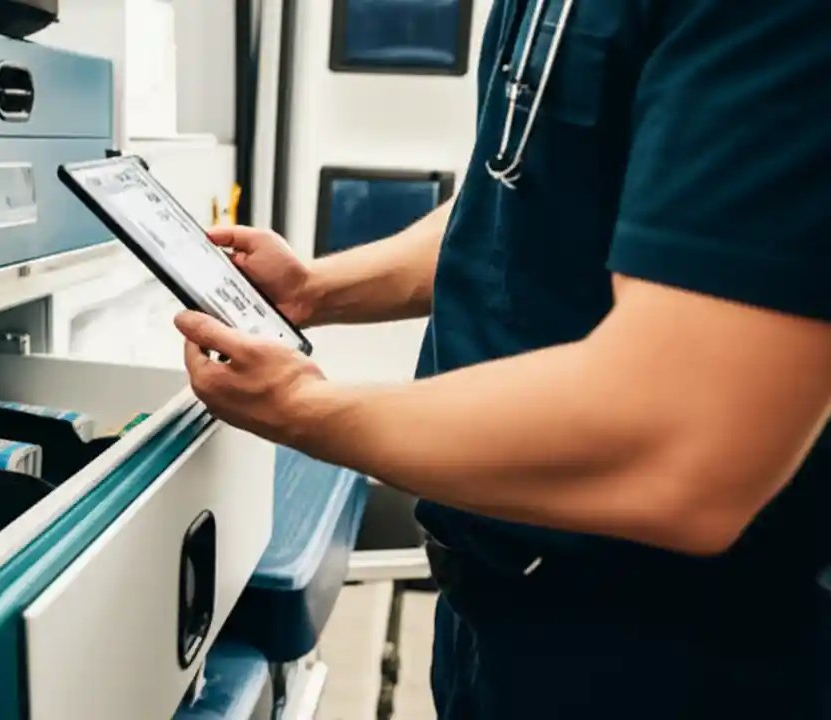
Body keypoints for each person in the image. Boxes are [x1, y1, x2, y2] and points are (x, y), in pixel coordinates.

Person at [172, 1, 830, 718]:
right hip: (492, 607)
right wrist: (316, 290)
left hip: (667, 652)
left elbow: (683, 438)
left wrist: (305, 409)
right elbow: (518, 197)